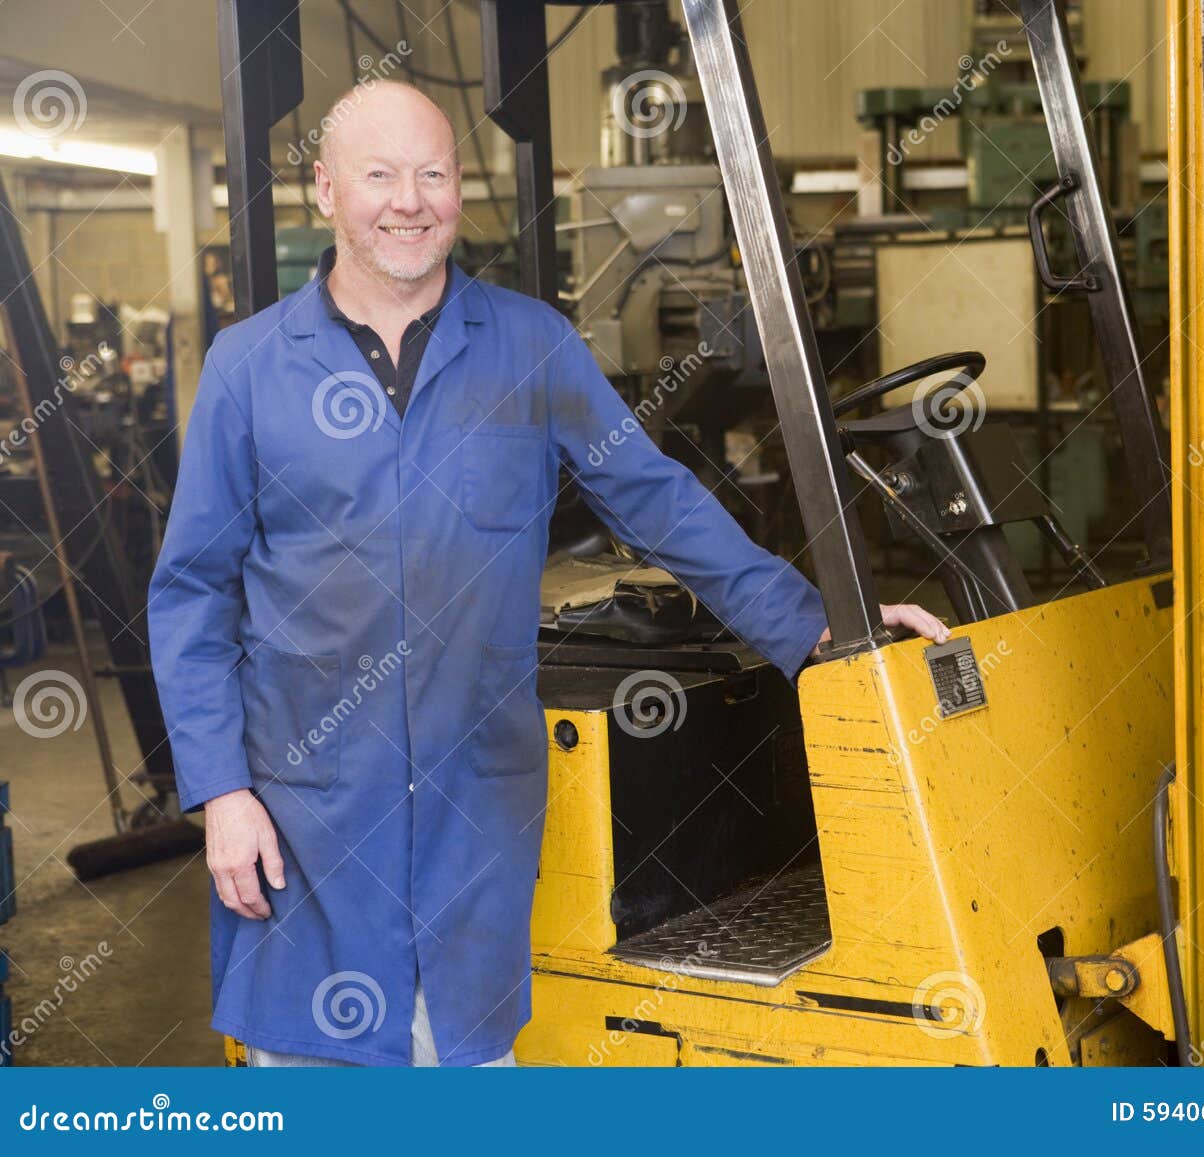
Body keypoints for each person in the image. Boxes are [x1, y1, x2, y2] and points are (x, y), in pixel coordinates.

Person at [147, 81, 948, 1068]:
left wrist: (817, 624)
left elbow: (652, 497)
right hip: (306, 808)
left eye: (434, 173)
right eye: (380, 175)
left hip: (472, 794)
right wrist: (222, 789)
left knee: (469, 1065)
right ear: (324, 190)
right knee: (316, 1073)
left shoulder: (529, 347)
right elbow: (192, 594)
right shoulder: (248, 367)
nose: (411, 200)